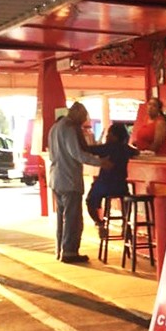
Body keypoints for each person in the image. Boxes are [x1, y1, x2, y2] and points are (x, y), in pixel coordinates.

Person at [48, 102, 110, 264]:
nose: (83, 122)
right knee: (72, 218)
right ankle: (69, 252)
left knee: (62, 217)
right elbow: (78, 154)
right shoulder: (69, 128)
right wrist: (100, 162)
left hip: (56, 179)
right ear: (75, 114)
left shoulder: (55, 127)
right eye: (82, 118)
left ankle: (60, 249)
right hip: (69, 180)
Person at [85, 123, 138, 238]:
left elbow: (89, 150)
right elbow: (136, 152)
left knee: (89, 201)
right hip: (121, 186)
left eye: (109, 134)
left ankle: (100, 223)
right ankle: (126, 224)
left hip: (104, 185)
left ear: (114, 136)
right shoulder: (126, 149)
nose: (107, 137)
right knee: (126, 199)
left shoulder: (107, 147)